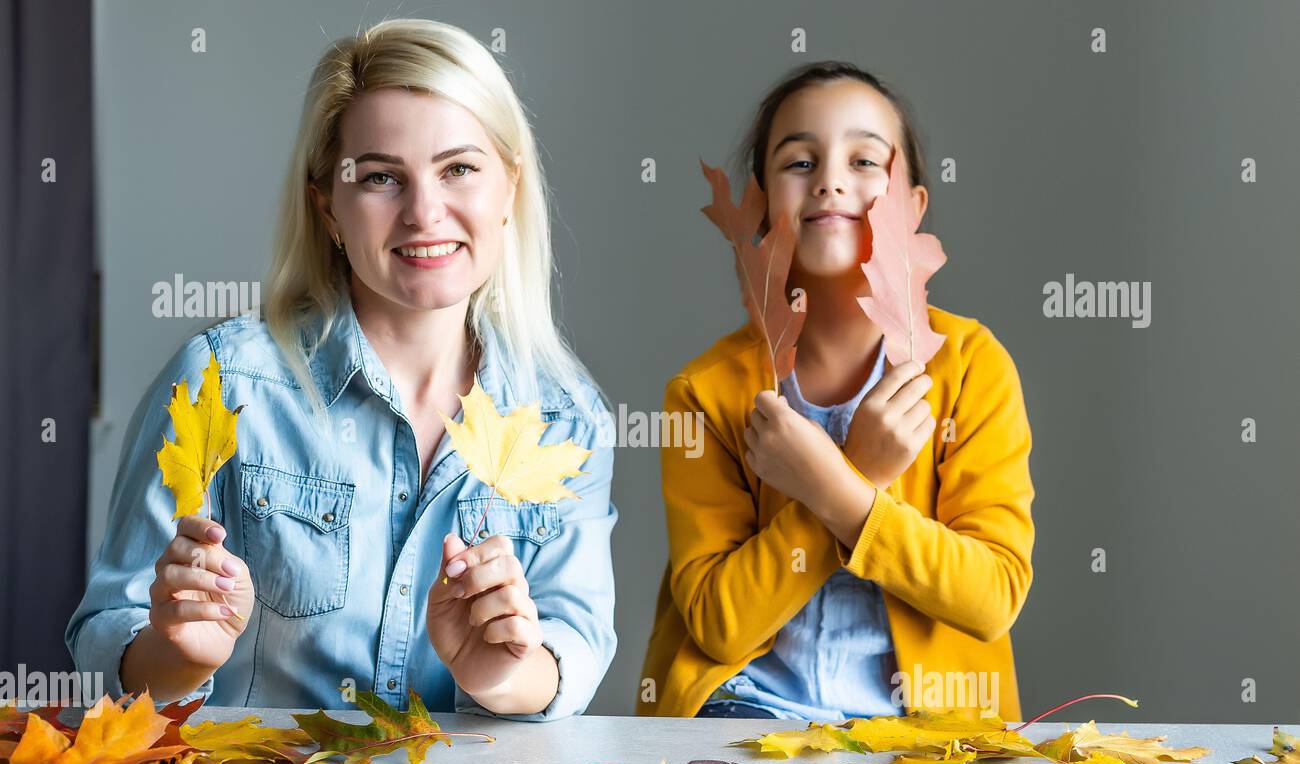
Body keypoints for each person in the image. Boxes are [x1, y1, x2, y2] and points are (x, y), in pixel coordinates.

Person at [65, 19, 617, 718]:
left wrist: (502, 675)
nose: (424, 212)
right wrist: (179, 655)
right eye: (382, 177)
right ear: (328, 208)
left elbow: (578, 639)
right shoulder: (221, 382)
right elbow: (106, 638)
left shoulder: (568, 417)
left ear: (508, 188)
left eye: (459, 169)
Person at [639, 62, 1034, 721]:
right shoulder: (705, 393)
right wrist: (861, 474)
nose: (829, 180)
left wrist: (839, 489)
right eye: (799, 162)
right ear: (760, 202)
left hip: (923, 732)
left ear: (912, 206)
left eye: (864, 160)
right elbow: (717, 622)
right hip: (743, 710)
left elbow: (991, 598)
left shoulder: (972, 368)